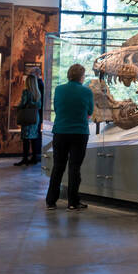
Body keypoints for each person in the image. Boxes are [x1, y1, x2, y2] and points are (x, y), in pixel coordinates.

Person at [47, 63, 94, 211]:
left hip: (60, 132)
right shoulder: (87, 92)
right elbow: (90, 110)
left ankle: (51, 201)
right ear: (81, 76)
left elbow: (57, 108)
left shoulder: (59, 89)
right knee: (75, 168)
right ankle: (73, 202)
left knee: (58, 166)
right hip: (79, 133)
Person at [14, 73, 43, 167]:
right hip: (35, 117)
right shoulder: (37, 92)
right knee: (34, 138)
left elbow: (23, 103)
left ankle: (25, 159)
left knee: (26, 139)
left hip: (27, 116)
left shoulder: (26, 92)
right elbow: (39, 106)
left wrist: (18, 107)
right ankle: (34, 158)